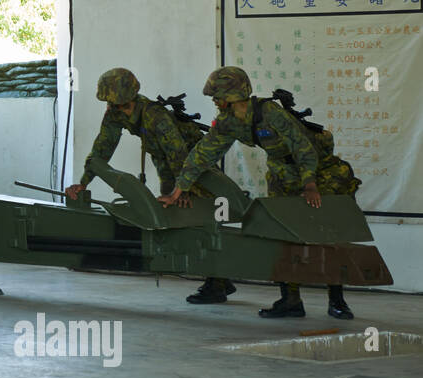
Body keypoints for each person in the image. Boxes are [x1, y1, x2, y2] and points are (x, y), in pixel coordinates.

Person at [159, 66, 360, 319]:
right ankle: (290, 301)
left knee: (327, 234)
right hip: (281, 174)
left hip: (319, 172)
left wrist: (310, 184)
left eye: (216, 95)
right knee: (281, 234)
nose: (214, 100)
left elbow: (304, 149)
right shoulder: (228, 121)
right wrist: (180, 189)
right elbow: (202, 153)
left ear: (231, 94)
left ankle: (337, 300)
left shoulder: (270, 113)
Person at [65, 67, 237, 305]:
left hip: (194, 167)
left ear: (123, 97)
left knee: (202, 217)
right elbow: (103, 148)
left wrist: (183, 190)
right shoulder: (116, 114)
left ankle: (217, 282)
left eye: (111, 100)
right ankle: (219, 278)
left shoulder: (156, 116)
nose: (108, 106)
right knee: (177, 216)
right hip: (167, 164)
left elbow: (178, 153)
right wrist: (83, 182)